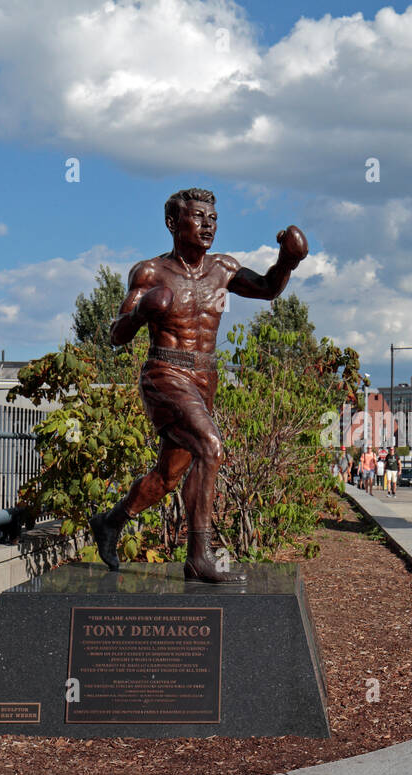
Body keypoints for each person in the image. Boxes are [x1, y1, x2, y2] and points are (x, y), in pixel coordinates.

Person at [89, 187, 307, 582]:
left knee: (167, 476)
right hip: (165, 373)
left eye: (213, 219)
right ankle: (199, 556)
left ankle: (110, 522)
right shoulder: (150, 273)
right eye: (199, 218)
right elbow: (116, 335)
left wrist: (287, 260)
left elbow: (268, 288)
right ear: (173, 223)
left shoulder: (223, 269)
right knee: (211, 446)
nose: (208, 225)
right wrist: (140, 311)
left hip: (204, 378)